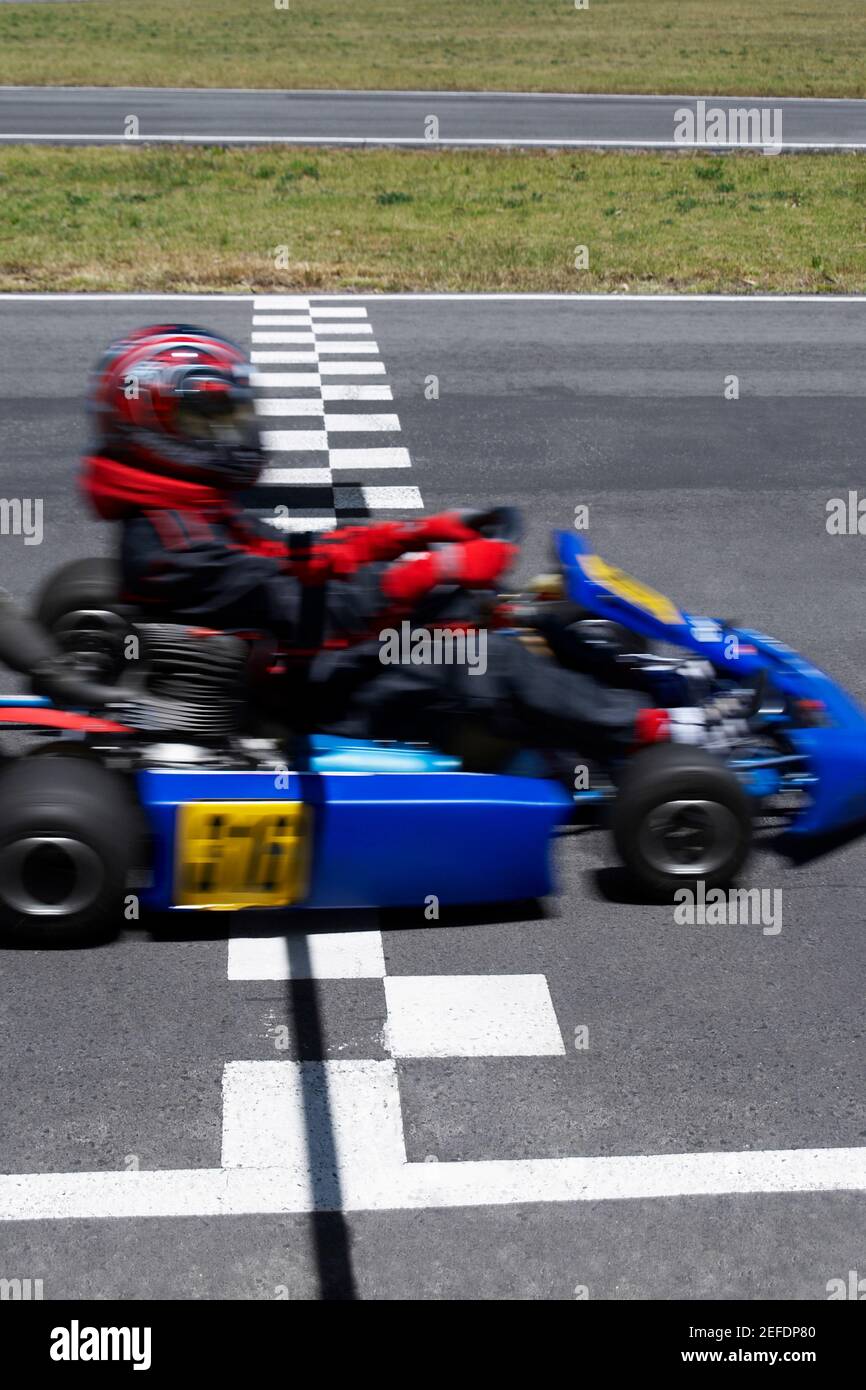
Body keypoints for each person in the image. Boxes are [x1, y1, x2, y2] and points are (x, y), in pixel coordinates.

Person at [79, 324, 649, 763]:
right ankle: (650, 730)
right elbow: (309, 608)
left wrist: (413, 536)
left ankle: (610, 683)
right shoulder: (172, 548)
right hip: (299, 697)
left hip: (293, 661)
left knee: (471, 610)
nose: (234, 431)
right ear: (155, 428)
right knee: (481, 659)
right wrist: (433, 568)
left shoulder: (181, 511)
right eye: (213, 417)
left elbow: (293, 558)